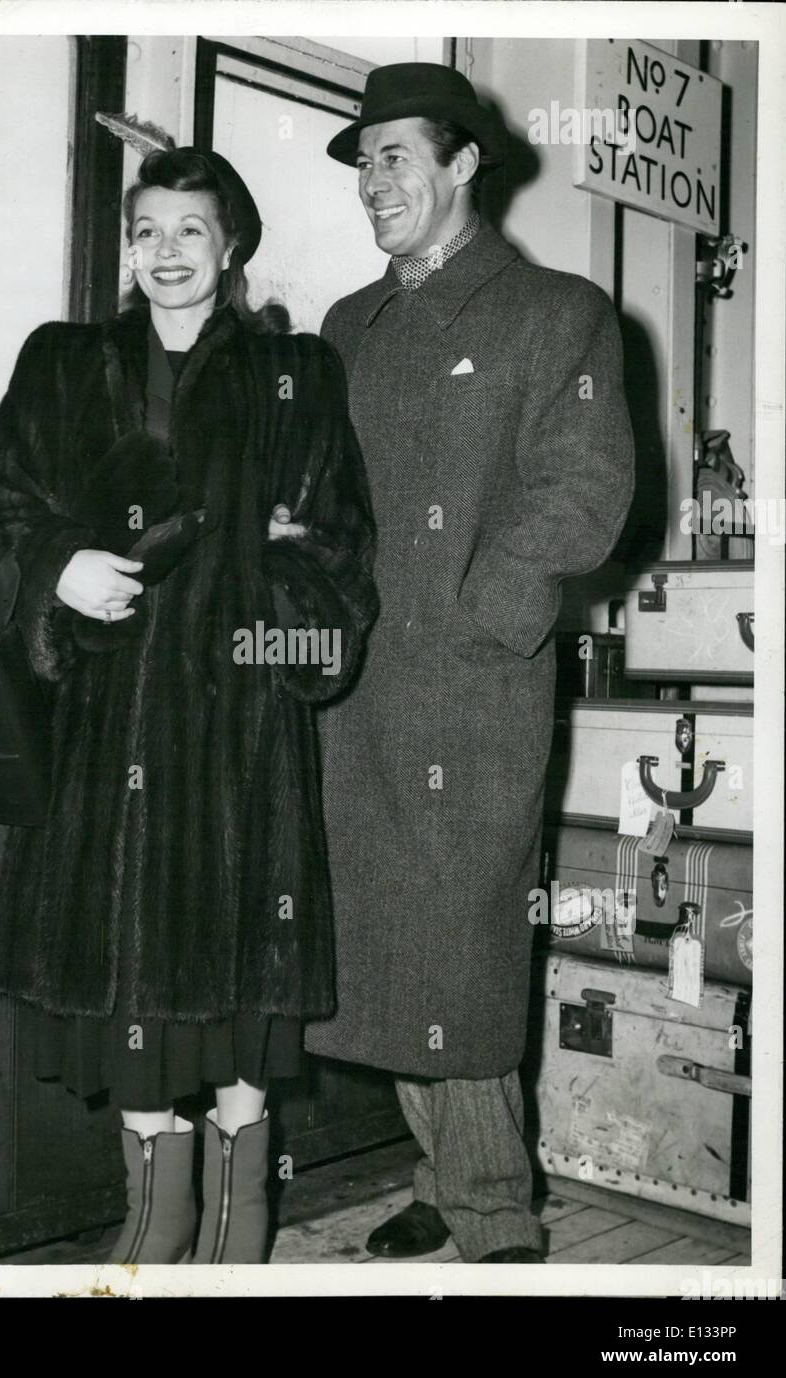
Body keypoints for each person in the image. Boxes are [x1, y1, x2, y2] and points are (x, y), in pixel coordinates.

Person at [0, 136, 378, 1265]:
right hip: (108, 735)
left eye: (190, 229)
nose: (166, 252)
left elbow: (340, 549)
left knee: (246, 993)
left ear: (232, 242)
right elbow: (4, 492)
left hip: (243, 735)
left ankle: (240, 1241)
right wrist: (60, 563)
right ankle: (154, 1234)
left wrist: (260, 607)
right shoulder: (62, 363)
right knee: (134, 999)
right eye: (146, 230)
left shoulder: (296, 376)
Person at [305, 63, 635, 1262]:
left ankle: (499, 1210)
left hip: (472, 680)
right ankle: (443, 1178)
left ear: (462, 164)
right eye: (363, 160)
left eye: (395, 155)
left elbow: (585, 486)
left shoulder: (559, 311)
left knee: (463, 936)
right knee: (387, 943)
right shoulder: (349, 325)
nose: (372, 182)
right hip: (353, 688)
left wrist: (476, 608)